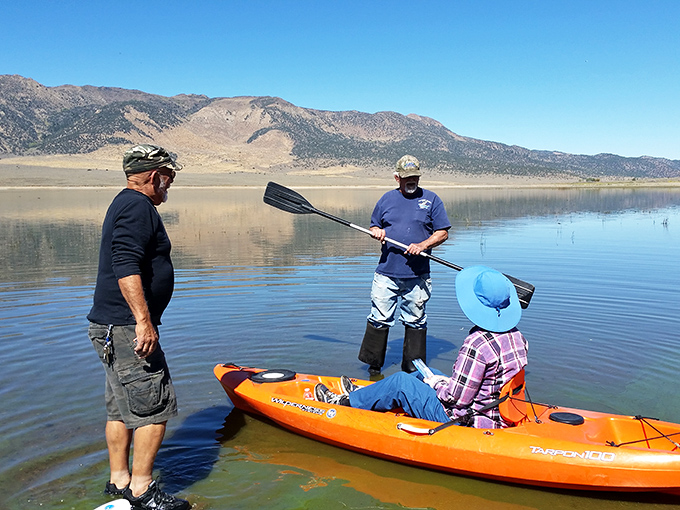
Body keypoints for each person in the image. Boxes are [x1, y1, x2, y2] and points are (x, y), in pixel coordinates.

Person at [87, 144, 190, 510]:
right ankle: (143, 491)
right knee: (154, 409)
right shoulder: (136, 206)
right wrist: (143, 322)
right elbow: (126, 264)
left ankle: (120, 481)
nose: (170, 185)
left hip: (112, 326)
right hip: (128, 329)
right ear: (153, 176)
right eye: (169, 178)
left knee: (119, 409)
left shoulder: (125, 202)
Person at [319, 265, 528, 429]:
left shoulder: (477, 344)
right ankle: (363, 395)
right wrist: (439, 379)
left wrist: (438, 385)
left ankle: (343, 403)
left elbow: (456, 399)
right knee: (426, 373)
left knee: (401, 381)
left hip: (466, 419)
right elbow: (487, 383)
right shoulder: (517, 337)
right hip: (494, 410)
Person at [358, 155, 451, 375]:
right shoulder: (386, 200)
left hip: (417, 275)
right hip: (386, 273)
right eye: (407, 178)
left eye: (415, 177)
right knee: (379, 317)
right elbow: (375, 226)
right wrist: (376, 232)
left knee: (416, 320)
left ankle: (413, 368)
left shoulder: (431, 200)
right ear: (397, 178)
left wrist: (423, 244)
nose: (412, 181)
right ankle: (373, 369)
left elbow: (443, 232)